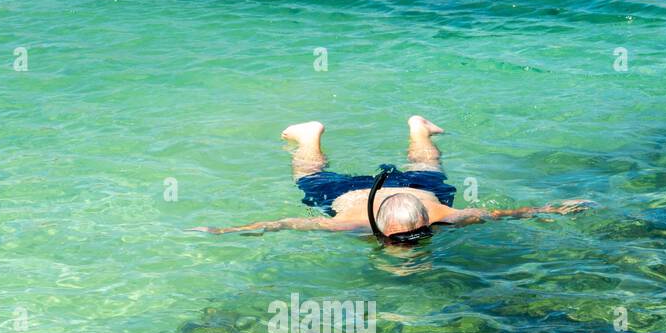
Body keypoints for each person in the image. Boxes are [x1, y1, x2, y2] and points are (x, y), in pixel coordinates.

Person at [197, 117, 591, 238]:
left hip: (416, 191)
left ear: (426, 220)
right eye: (404, 239)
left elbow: (506, 214)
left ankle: (312, 134)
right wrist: (225, 231)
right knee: (310, 177)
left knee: (428, 172)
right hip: (353, 194)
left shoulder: (440, 215)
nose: (409, 244)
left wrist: (552, 209)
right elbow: (280, 224)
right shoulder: (352, 222)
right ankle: (309, 134)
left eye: (414, 236)